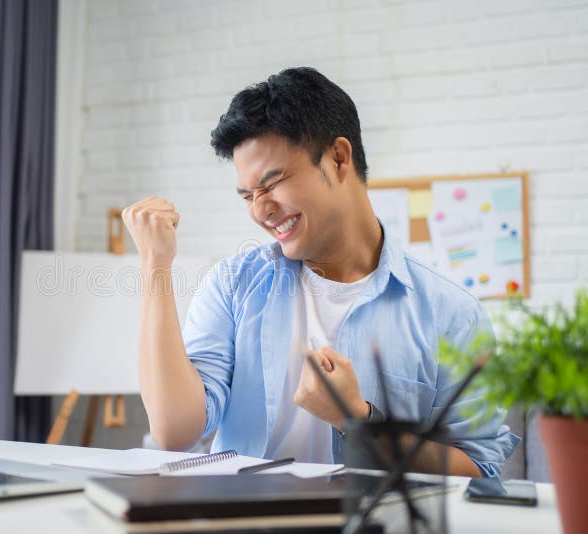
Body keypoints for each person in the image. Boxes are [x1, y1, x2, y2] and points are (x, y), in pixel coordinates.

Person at [122, 67, 518, 478]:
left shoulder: (450, 313)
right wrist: (156, 264)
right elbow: (174, 433)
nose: (260, 210)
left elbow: (480, 468)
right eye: (248, 196)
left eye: (272, 183)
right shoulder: (233, 285)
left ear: (338, 158)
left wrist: (357, 422)